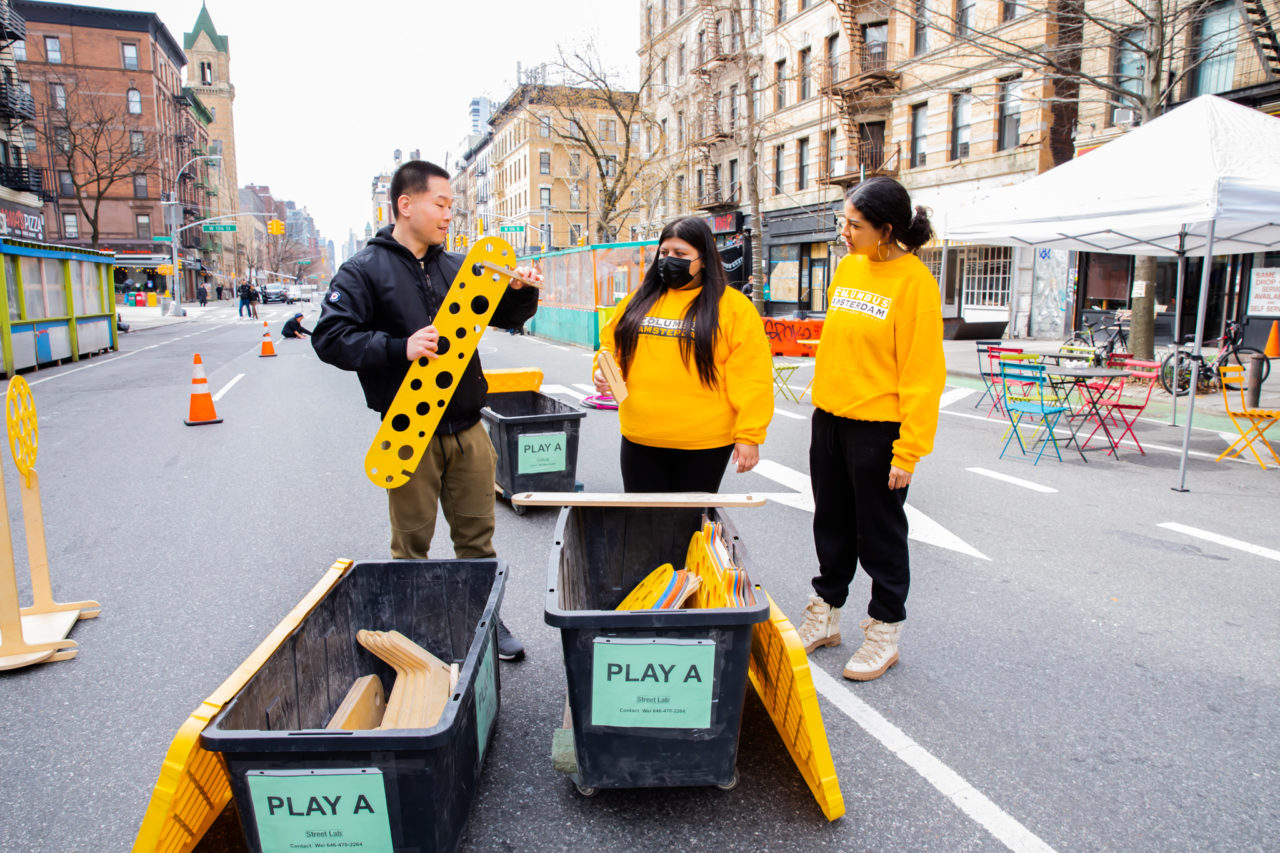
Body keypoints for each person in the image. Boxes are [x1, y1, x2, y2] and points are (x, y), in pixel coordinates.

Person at [313, 159, 540, 662]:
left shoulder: (459, 265)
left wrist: (523, 291)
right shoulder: (362, 271)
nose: (448, 216)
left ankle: (485, 618)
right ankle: (408, 632)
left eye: (451, 207)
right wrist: (399, 347)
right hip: (409, 431)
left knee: (478, 542)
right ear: (405, 204)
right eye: (441, 204)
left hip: (468, 427)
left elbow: (506, 314)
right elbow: (329, 338)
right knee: (411, 546)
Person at [795, 177, 946, 683]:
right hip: (831, 419)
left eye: (854, 225)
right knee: (831, 523)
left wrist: (909, 452)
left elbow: (924, 375)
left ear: (885, 230)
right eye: (844, 221)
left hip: (880, 429)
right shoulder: (846, 267)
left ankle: (884, 628)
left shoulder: (915, 284)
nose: (844, 231)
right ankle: (827, 611)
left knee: (880, 534)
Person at [593, 216, 773, 493]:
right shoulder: (637, 300)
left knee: (690, 529)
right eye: (664, 253)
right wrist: (602, 371)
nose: (669, 260)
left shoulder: (734, 308)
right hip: (640, 437)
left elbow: (752, 376)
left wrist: (749, 435)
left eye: (680, 253)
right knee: (642, 527)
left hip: (705, 444)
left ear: (704, 258)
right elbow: (610, 345)